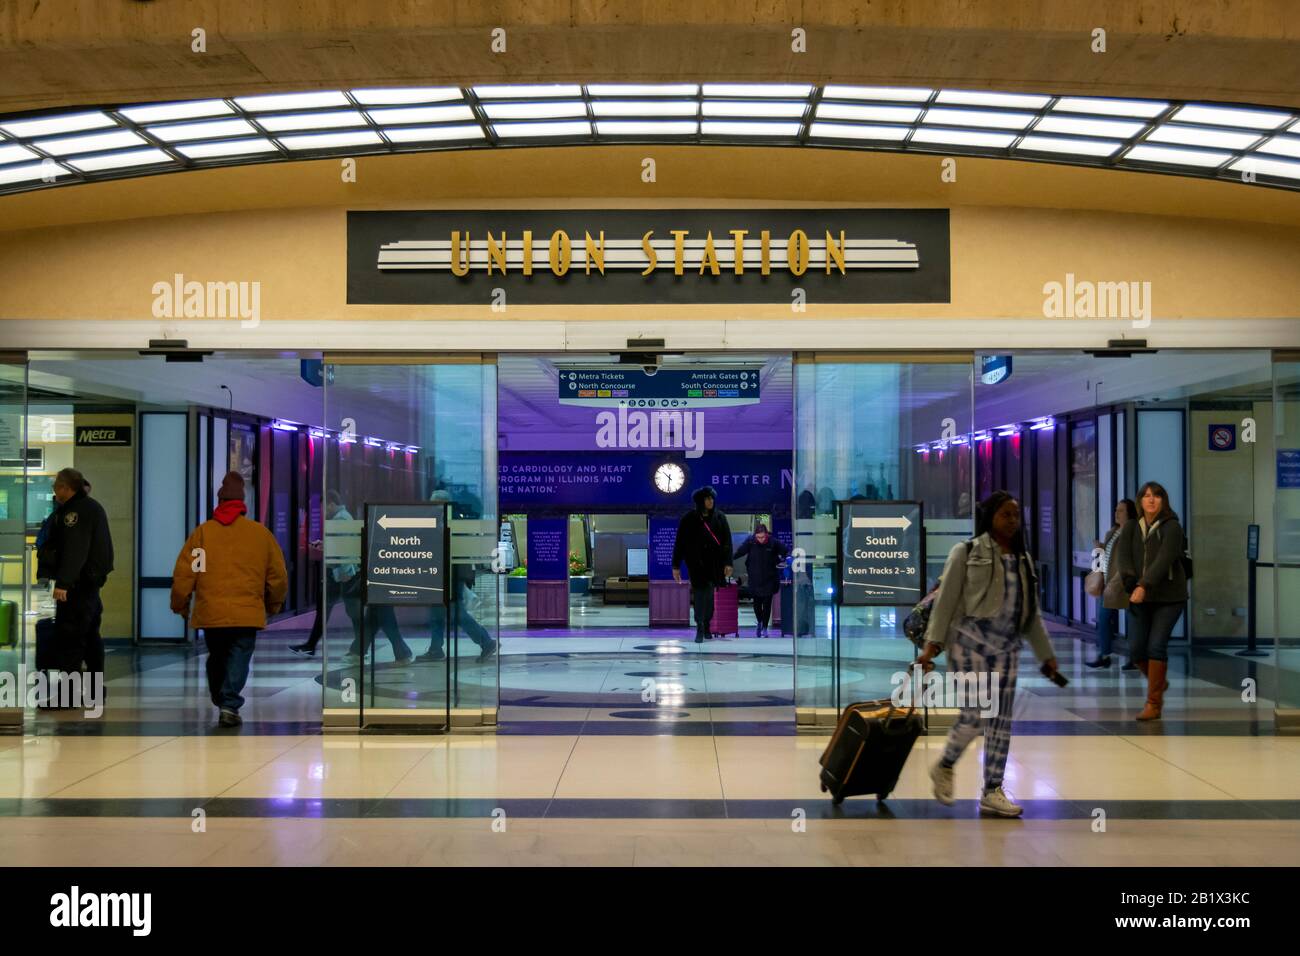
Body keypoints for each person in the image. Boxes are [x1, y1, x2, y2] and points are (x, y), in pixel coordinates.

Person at [916, 491, 1060, 818]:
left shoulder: (1022, 559)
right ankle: (946, 765)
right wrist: (932, 646)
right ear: (990, 517)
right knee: (975, 716)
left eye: (1015, 515)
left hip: (1007, 649)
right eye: (1005, 514)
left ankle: (992, 789)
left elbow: (1030, 614)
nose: (1012, 521)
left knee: (1001, 721)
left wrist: (1045, 654)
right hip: (969, 643)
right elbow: (945, 602)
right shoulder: (965, 552)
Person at [171, 471, 288, 727]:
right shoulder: (260, 535)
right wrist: (273, 603)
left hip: (210, 610)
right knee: (239, 654)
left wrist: (180, 602)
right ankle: (229, 703)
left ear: (220, 501)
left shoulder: (203, 535)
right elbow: (277, 575)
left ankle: (221, 697)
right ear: (242, 502)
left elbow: (189, 570)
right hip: (247, 611)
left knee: (217, 655)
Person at [1116, 481, 1188, 722]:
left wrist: (1143, 585)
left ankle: (1153, 703)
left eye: (1156, 496)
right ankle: (1158, 681)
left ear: (1163, 500)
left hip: (1169, 597)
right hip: (1138, 596)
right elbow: (1123, 557)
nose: (1151, 500)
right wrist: (1130, 583)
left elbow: (1164, 561)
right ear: (1140, 500)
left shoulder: (1172, 526)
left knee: (1156, 645)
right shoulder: (1130, 528)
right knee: (1136, 648)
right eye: (1146, 496)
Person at [38, 468, 113, 680]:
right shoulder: (89, 507)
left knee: (70, 639)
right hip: (87, 585)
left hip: (77, 586)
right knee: (90, 638)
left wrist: (63, 583)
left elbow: (75, 550)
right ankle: (94, 690)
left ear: (65, 487)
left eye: (55, 486)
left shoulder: (75, 512)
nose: (54, 490)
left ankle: (69, 694)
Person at [417, 491, 497, 662]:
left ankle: (486, 642)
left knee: (457, 614)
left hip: (450, 575)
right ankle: (435, 648)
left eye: (434, 504)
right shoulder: (440, 521)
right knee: (437, 615)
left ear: (443, 503)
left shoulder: (452, 522)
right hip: (439, 575)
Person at [672, 485, 732, 644]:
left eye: (712, 498)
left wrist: (728, 563)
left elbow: (727, 542)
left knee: (710, 596)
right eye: (707, 499)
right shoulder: (689, 518)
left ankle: (707, 624)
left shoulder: (720, 517)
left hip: (715, 563)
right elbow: (680, 543)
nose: (710, 501)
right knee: (700, 595)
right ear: (700, 501)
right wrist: (675, 566)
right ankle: (700, 626)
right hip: (696, 563)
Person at [1085, 498, 1138, 669]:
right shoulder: (1112, 532)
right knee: (1103, 617)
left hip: (1125, 582)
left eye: (1121, 510)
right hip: (1109, 584)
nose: (1116, 513)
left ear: (1129, 513)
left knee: (1133, 621)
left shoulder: (1134, 533)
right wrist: (1099, 548)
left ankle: (1135, 658)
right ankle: (1104, 654)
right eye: (1116, 510)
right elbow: (1103, 559)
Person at [734, 522, 787, 637]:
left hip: (769, 579)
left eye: (763, 537)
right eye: (758, 537)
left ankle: (764, 628)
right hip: (755, 579)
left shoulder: (773, 542)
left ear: (766, 535)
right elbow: (740, 552)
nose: (761, 539)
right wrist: (729, 560)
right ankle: (760, 621)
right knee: (757, 604)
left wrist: (782, 559)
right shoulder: (751, 542)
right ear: (755, 536)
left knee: (767, 605)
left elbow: (784, 551)